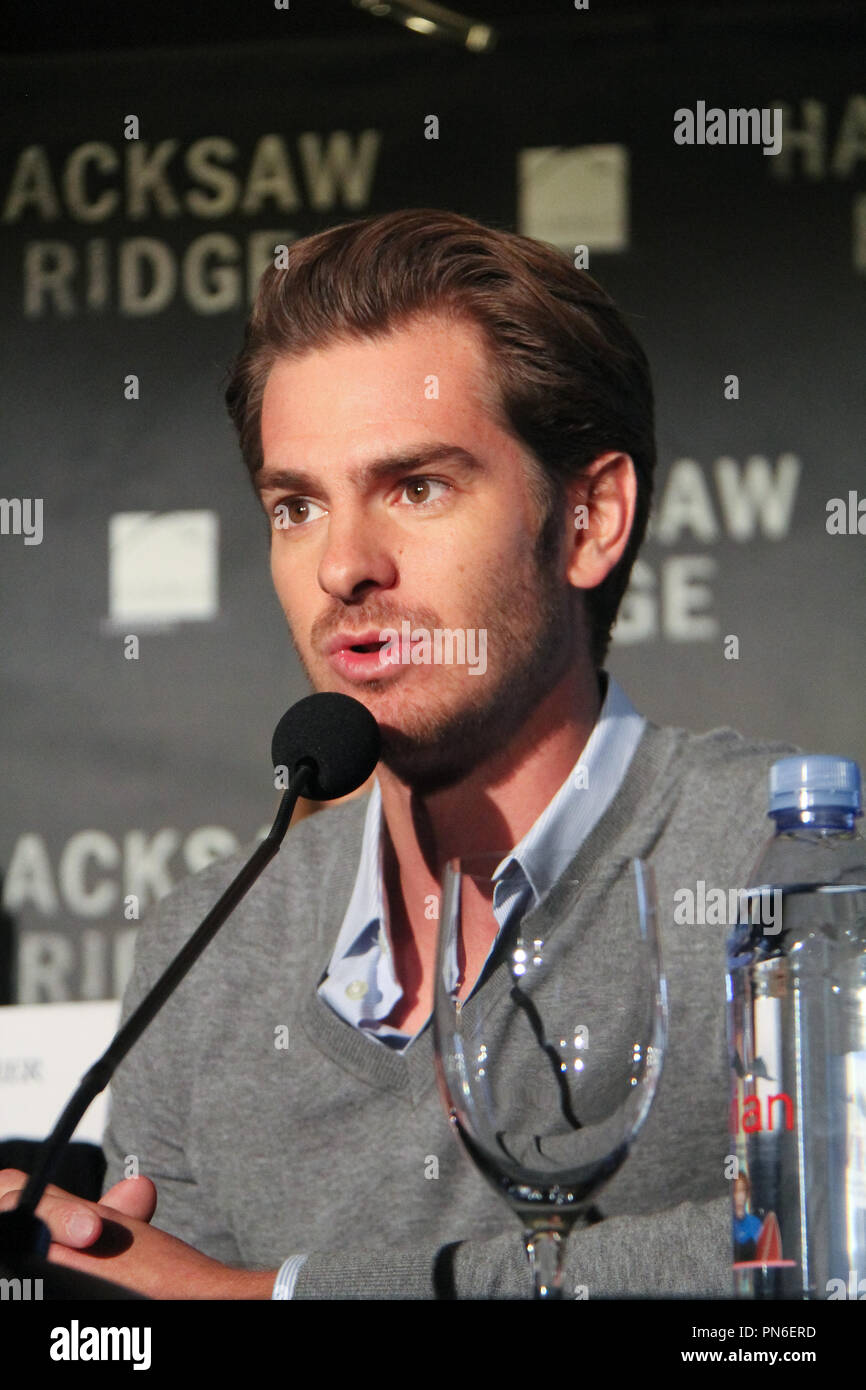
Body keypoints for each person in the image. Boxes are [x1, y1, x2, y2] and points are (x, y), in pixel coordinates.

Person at [0, 209, 794, 1299]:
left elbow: (820, 1255)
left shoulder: (784, 866)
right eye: (296, 505)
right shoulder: (206, 952)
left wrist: (261, 1298)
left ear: (587, 517)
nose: (343, 567)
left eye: (415, 487)